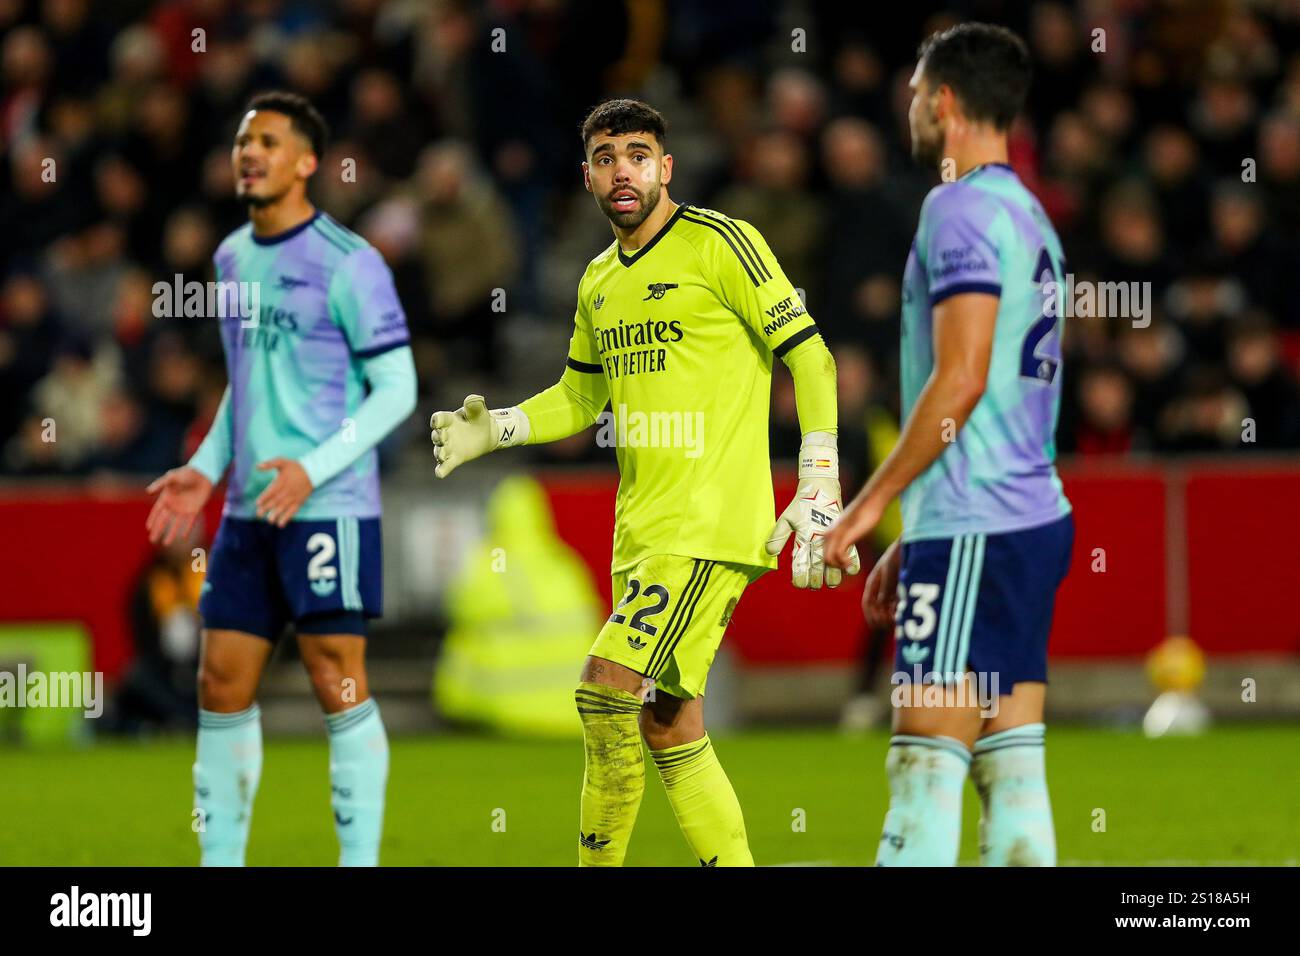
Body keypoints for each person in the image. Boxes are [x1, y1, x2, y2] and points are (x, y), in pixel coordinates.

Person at [429, 98, 859, 866]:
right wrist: (496, 428)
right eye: (604, 156)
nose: (620, 168)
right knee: (668, 724)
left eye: (636, 153)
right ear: (588, 176)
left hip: (708, 524)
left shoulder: (723, 243)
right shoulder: (598, 280)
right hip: (644, 533)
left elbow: (812, 357)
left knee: (602, 692)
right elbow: (580, 396)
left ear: (664, 168)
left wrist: (818, 476)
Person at [145, 91, 417, 866]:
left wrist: (312, 469)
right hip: (245, 513)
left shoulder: (350, 263)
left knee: (338, 681)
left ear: (306, 162)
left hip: (328, 506)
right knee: (219, 685)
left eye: (267, 140)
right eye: (241, 140)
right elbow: (247, 381)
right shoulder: (232, 258)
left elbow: (395, 388)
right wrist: (204, 470)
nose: (249, 152)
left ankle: (359, 862)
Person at [824, 24, 1074, 866]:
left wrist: (875, 504)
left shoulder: (955, 206)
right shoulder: (1032, 216)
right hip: (1023, 517)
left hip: (977, 516)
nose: (907, 108)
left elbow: (961, 380)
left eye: (912, 92)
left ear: (945, 102)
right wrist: (922, 527)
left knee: (923, 762)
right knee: (1010, 762)